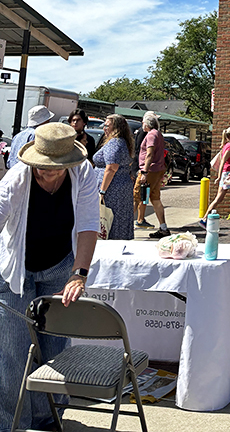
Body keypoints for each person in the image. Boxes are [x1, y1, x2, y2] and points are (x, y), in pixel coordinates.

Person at [0, 122, 99, 432]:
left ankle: (48, 419)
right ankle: (12, 424)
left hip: (60, 266)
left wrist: (79, 274)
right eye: (42, 168)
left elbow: (88, 224)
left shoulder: (83, 174)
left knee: (54, 348)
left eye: (55, 169)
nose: (47, 173)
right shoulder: (16, 178)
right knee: (13, 351)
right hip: (18, 268)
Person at [93, 115, 135, 240]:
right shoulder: (122, 142)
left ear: (116, 127)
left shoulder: (115, 143)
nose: (104, 128)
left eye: (107, 125)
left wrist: (102, 191)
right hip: (119, 187)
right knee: (117, 220)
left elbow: (111, 168)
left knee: (110, 220)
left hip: (112, 189)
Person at [132, 112, 170, 237]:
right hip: (157, 170)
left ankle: (126, 226)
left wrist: (144, 171)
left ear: (147, 124)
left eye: (143, 122)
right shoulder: (158, 134)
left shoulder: (151, 135)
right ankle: (163, 228)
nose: (142, 124)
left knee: (136, 197)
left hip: (150, 170)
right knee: (155, 198)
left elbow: (149, 153)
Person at [200, 126, 230, 228]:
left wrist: (220, 176)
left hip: (226, 174)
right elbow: (223, 161)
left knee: (218, 199)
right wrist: (219, 176)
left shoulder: (226, 146)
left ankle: (204, 219)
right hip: (229, 175)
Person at [7, 105, 55, 170]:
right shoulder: (38, 136)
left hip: (12, 172)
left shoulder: (18, 135)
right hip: (26, 173)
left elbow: (10, 160)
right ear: (44, 121)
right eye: (48, 120)